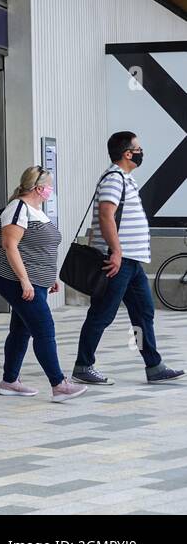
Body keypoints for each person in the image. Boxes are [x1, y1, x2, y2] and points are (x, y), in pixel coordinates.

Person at [72, 132, 184, 385]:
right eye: (138, 147)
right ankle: (83, 365)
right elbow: (105, 216)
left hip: (131, 263)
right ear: (128, 153)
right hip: (117, 262)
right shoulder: (113, 179)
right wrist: (117, 251)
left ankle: (153, 365)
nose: (142, 151)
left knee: (143, 314)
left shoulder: (125, 179)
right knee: (102, 314)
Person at [0, 166, 86, 402]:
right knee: (44, 329)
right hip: (17, 281)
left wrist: (48, 277)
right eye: (49, 186)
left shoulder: (36, 210)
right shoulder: (17, 208)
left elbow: (40, 247)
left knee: (21, 330)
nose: (51, 190)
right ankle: (59, 385)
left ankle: (9, 381)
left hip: (37, 281)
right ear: (38, 188)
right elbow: (10, 245)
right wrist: (25, 282)